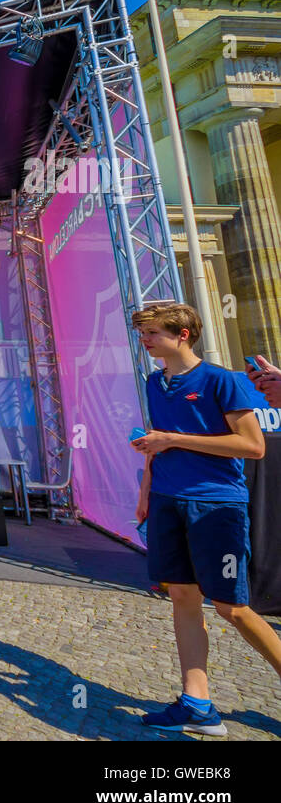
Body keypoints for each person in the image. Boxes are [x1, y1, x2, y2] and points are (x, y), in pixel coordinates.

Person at [130, 301, 278, 736]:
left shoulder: (221, 380)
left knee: (233, 608)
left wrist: (174, 438)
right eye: (143, 332)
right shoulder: (155, 383)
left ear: (183, 334)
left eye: (153, 332)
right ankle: (198, 704)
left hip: (216, 506)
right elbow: (159, 444)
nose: (145, 339)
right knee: (182, 598)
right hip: (166, 501)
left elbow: (253, 447)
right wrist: (145, 492)